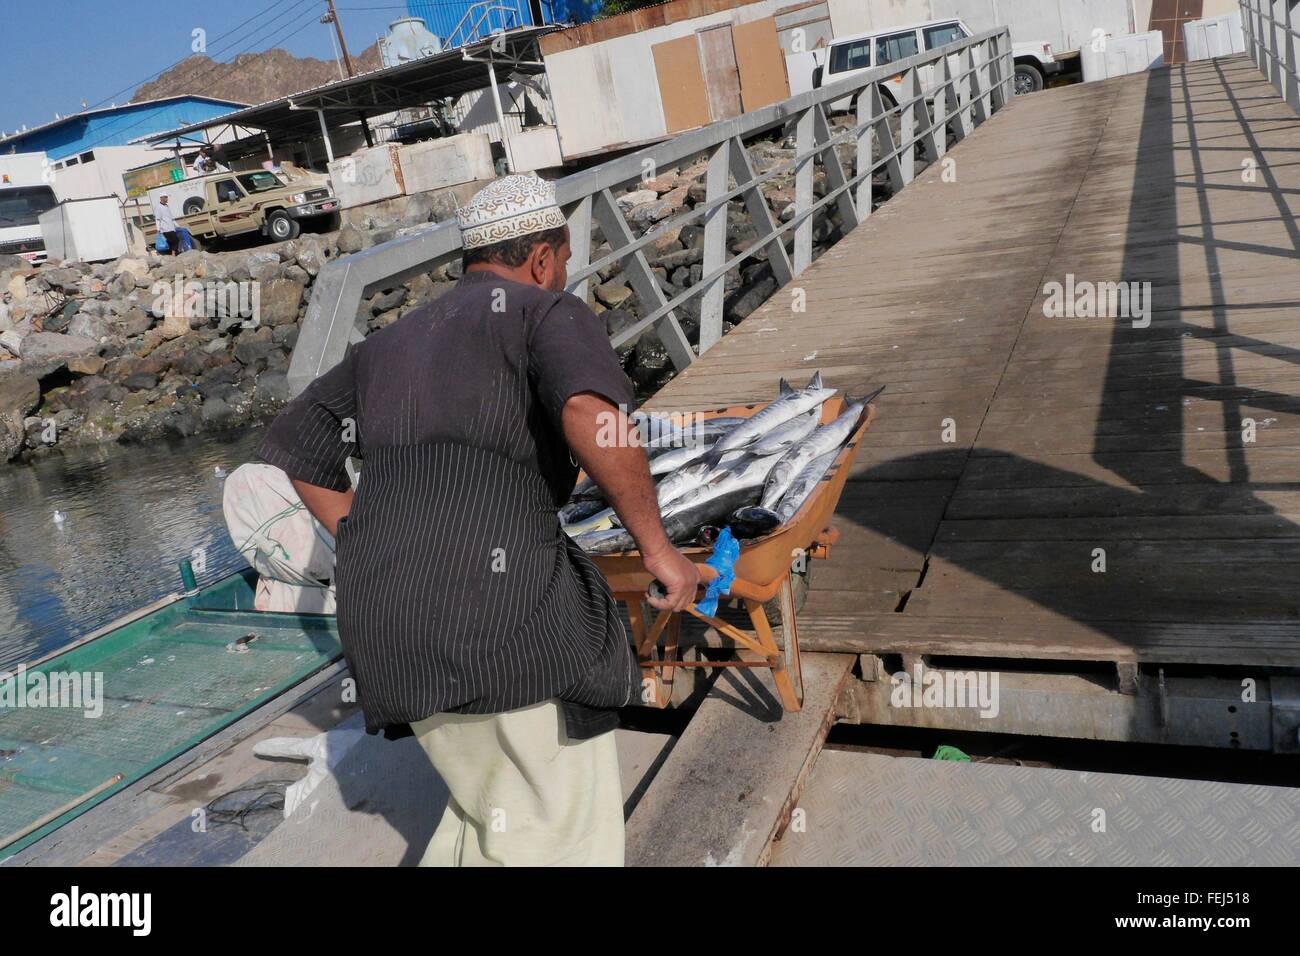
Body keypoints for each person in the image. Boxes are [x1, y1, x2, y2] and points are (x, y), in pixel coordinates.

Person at [258, 174, 699, 866]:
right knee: (558, 829)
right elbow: (592, 417)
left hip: (389, 633)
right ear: (543, 259)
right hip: (499, 626)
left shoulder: (386, 344)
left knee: (486, 809)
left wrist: (371, 539)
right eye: (563, 263)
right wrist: (658, 550)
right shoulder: (543, 311)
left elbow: (301, 448)